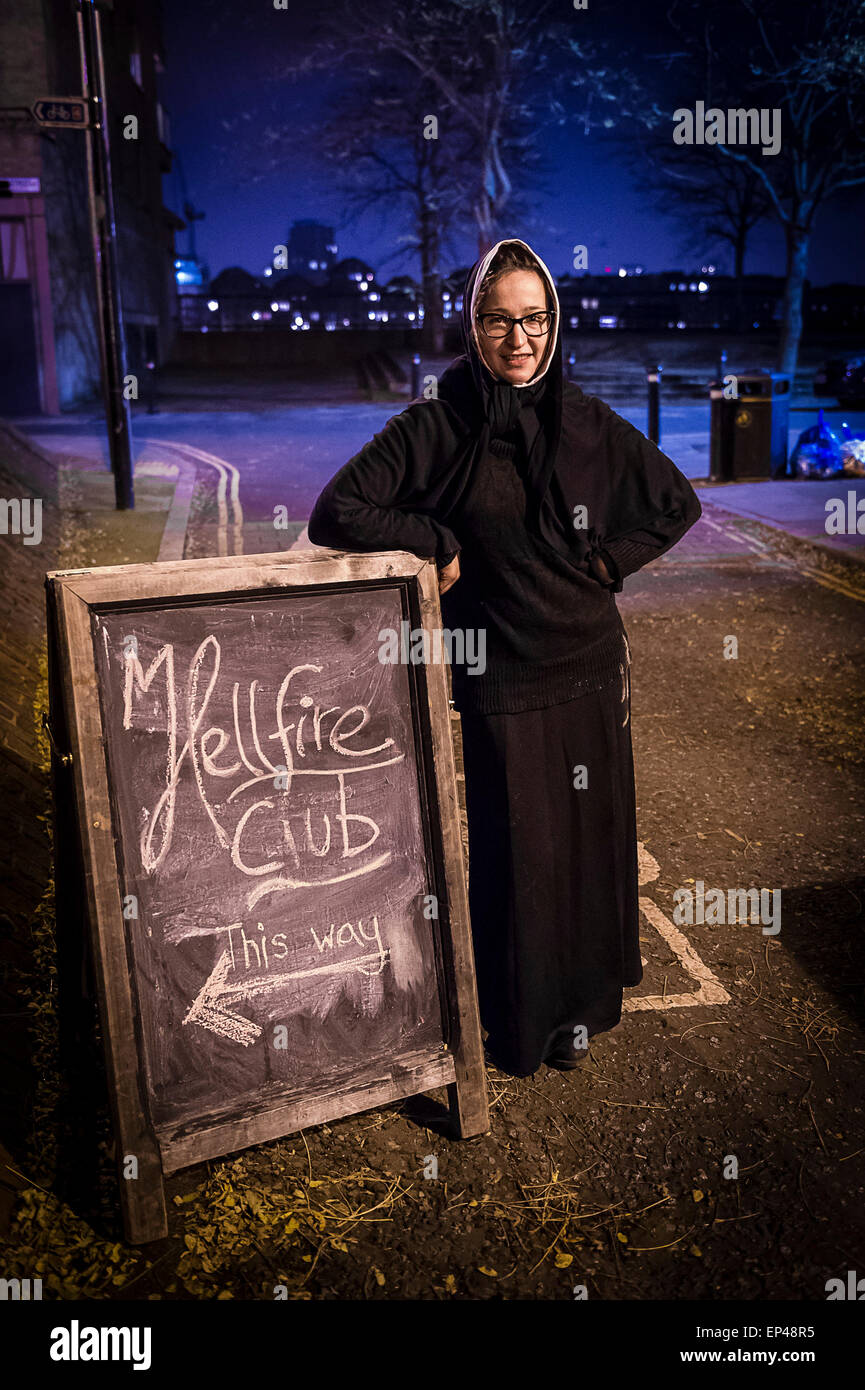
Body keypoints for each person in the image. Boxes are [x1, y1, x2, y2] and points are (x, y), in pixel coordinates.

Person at [307, 237, 701, 1076]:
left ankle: (582, 1010)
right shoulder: (437, 425)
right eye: (497, 320)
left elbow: (675, 502)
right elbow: (338, 509)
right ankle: (519, 1017)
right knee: (518, 855)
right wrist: (433, 535)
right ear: (472, 326)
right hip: (502, 676)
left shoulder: (587, 421)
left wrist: (607, 564)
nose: (518, 338)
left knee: (587, 846)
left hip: (589, 667)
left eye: (533, 319)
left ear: (553, 324)